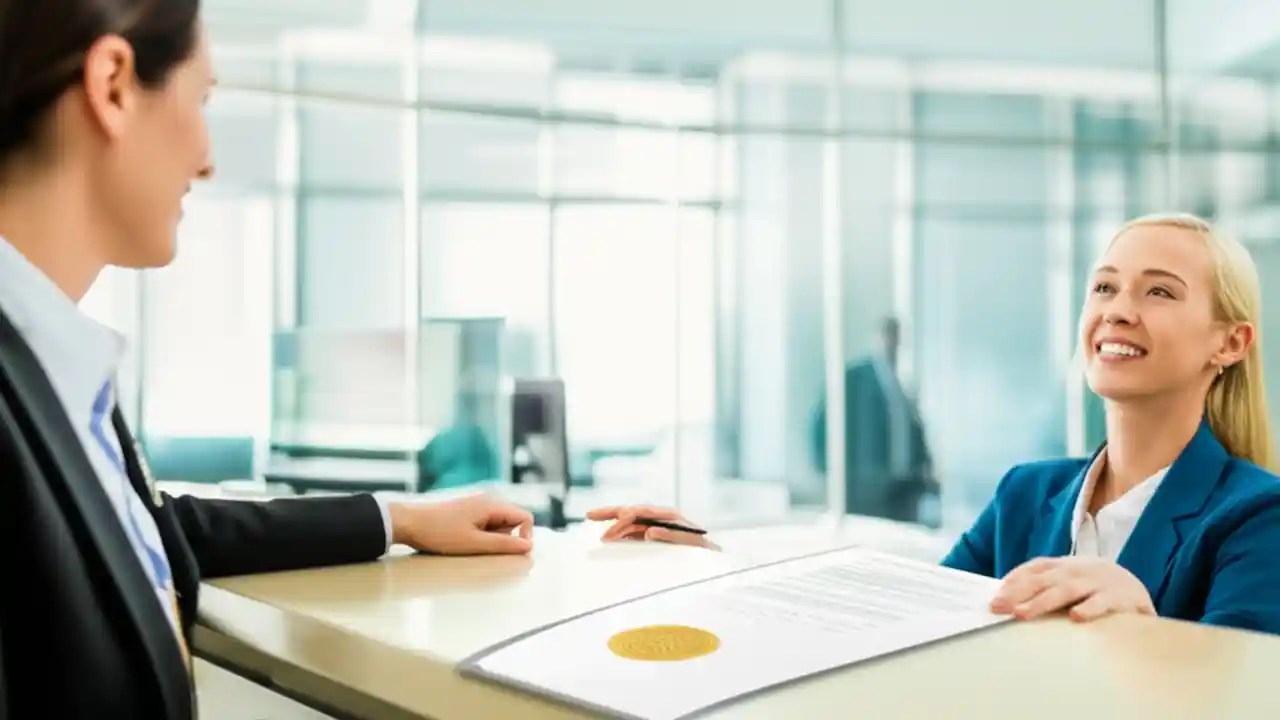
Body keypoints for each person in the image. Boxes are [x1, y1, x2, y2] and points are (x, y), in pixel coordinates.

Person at [0, 2, 533, 717]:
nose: (207, 159)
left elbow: (146, 523)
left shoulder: (53, 363)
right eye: (201, 101)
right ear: (114, 85)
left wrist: (398, 520)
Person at [592, 212, 1280, 635]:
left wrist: (1145, 625)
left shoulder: (1256, 517)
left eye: (1159, 291)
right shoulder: (1027, 493)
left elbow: (1243, 698)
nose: (1118, 309)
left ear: (1231, 343)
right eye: (1105, 286)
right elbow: (910, 616)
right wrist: (717, 559)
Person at [810, 315, 938, 525]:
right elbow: (823, 424)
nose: (893, 342)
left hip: (902, 488)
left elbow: (913, 431)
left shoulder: (901, 384)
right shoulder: (855, 378)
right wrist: (829, 472)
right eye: (888, 335)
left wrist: (924, 467)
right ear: (878, 337)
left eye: (896, 336)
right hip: (867, 492)